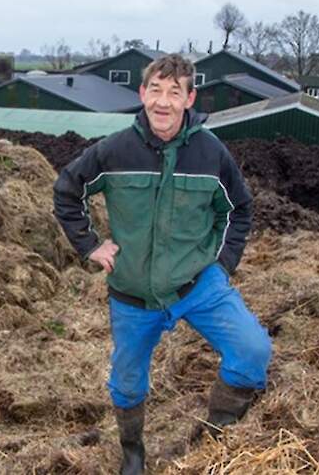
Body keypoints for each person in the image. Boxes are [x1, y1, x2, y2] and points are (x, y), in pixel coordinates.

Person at [53, 54, 272, 473]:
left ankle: (218, 434)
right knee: (127, 382)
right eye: (156, 90)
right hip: (133, 292)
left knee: (252, 350)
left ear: (190, 99)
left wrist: (222, 265)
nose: (164, 102)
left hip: (198, 285)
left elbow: (238, 209)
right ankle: (133, 451)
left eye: (175, 92)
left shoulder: (211, 153)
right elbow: (67, 190)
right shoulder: (115, 150)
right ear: (142, 94)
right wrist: (90, 246)